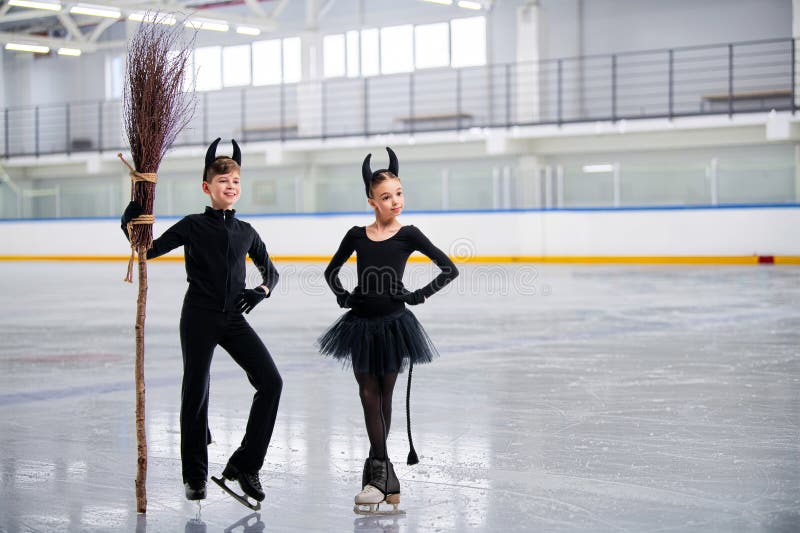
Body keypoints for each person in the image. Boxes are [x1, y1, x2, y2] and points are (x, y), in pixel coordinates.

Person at [120, 138, 282, 506]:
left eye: (236, 182)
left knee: (271, 382)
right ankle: (194, 476)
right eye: (224, 182)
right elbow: (148, 249)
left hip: (234, 319)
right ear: (207, 188)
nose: (231, 187)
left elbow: (271, 272)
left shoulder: (247, 232)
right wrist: (130, 222)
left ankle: (246, 465)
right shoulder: (193, 225)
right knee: (196, 392)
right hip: (198, 317)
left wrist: (262, 290)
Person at [318, 147, 459, 514]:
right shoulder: (357, 235)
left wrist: (417, 296)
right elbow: (330, 272)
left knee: (385, 396)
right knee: (368, 394)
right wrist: (342, 297)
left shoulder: (408, 234)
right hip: (361, 324)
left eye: (398, 193)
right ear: (371, 201)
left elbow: (448, 269)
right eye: (385, 197)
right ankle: (384, 476)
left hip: (395, 325)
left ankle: (378, 475)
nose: (395, 201)